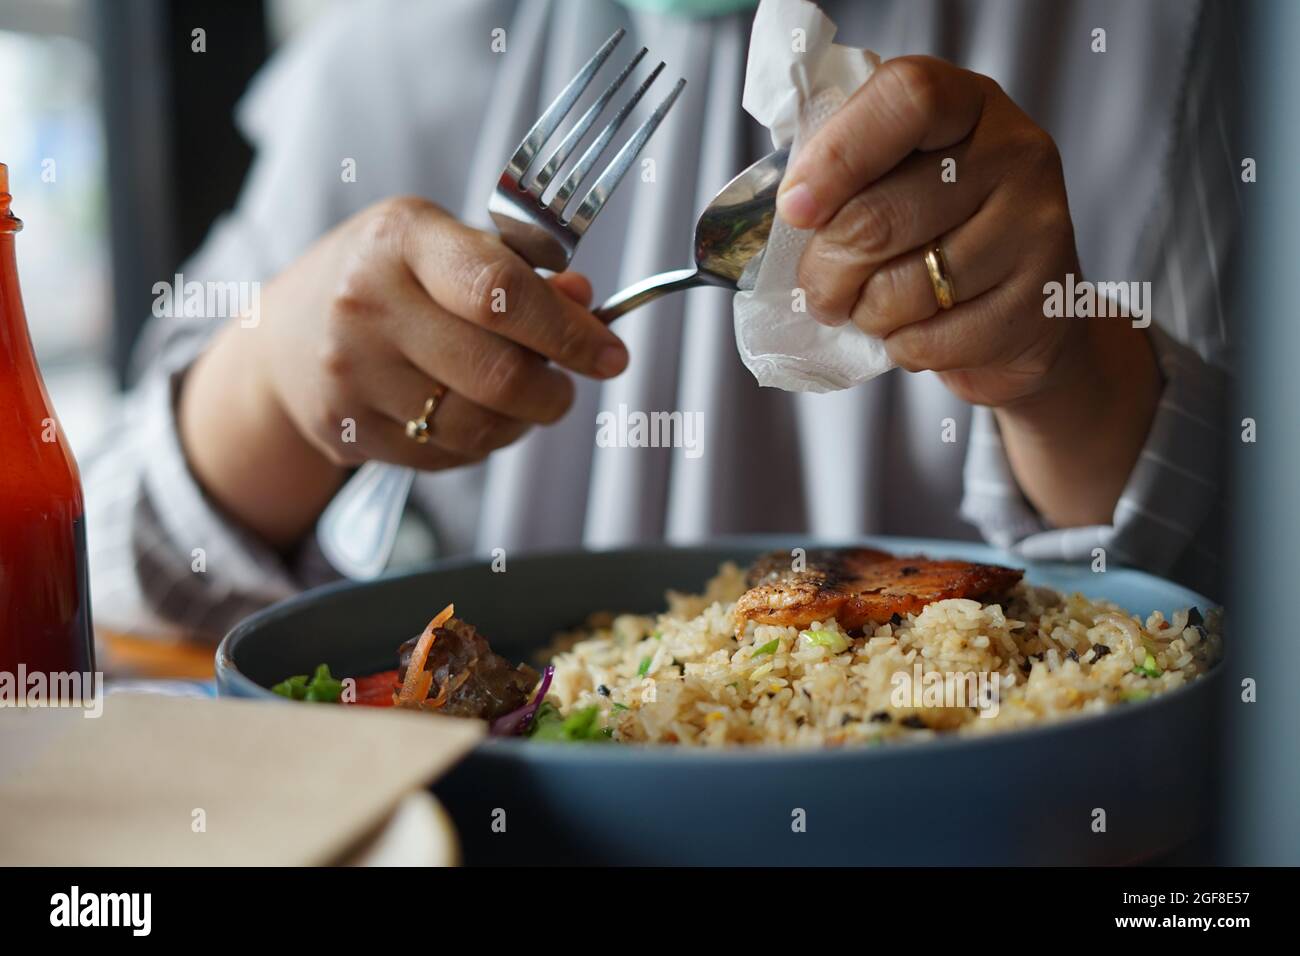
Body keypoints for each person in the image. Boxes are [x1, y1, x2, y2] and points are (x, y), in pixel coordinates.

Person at [85, 0, 1235, 640]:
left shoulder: (1170, 47)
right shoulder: (404, 48)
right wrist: (277, 391)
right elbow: (99, 565)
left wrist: (1061, 368)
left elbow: (1237, 623)